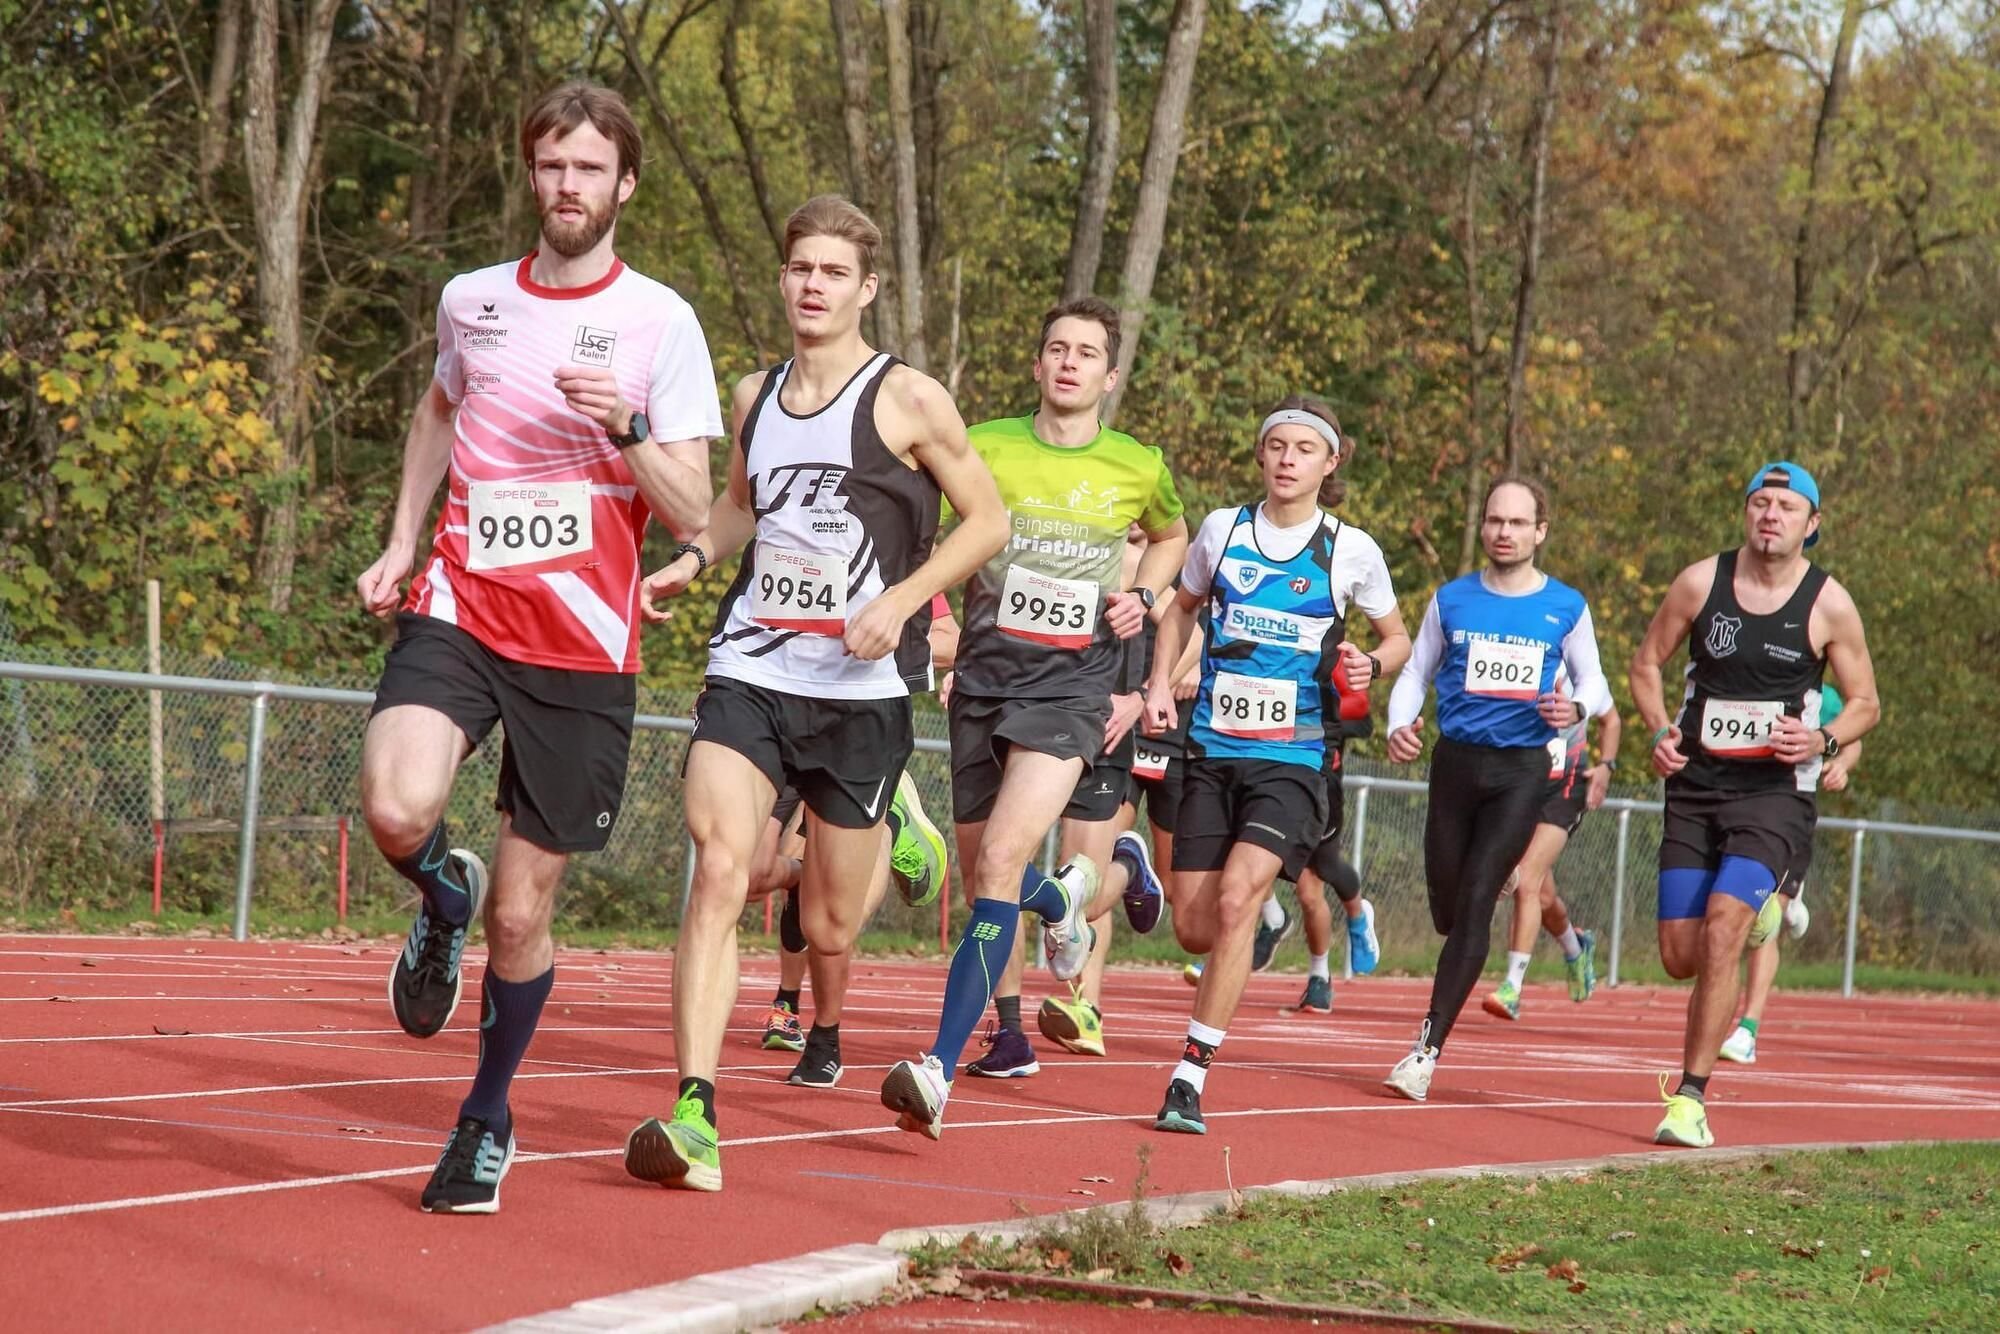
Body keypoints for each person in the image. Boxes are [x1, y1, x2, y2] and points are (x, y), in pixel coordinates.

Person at [354, 83, 724, 1213]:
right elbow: (435, 411)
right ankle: (436, 895)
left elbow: (694, 506)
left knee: (526, 912)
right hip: (462, 601)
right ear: (532, 175)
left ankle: (485, 1116)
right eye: (549, 166)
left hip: (580, 644)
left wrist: (625, 425)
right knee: (395, 808)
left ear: (625, 185)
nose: (567, 187)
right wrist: (401, 536)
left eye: (587, 169)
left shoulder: (663, 321)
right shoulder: (471, 300)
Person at [625, 195, 1007, 1190]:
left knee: (831, 926)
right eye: (799, 268)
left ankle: (898, 822)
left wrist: (908, 600)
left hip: (862, 690)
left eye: (832, 272)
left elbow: (986, 521)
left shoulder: (907, 399)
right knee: (718, 864)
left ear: (865, 289)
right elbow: (742, 505)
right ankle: (694, 1112)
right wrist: (693, 557)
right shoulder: (752, 396)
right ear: (782, 276)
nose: (811, 285)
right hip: (752, 665)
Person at [880, 297, 1188, 1138]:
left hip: (1072, 691)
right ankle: (1063, 899)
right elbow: (922, 532)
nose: (1069, 364)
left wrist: (1144, 596)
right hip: (982, 680)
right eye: (1057, 348)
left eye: (1086, 354)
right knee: (994, 877)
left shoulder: (1135, 464)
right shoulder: (985, 444)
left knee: (1000, 863)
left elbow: (1172, 536)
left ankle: (937, 1068)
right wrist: (938, 614)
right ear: (1039, 362)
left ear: (1109, 375)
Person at [1142, 396, 1409, 1134]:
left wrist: (1371, 662)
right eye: (1277, 447)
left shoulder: (1350, 550)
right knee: (1196, 926)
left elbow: (1397, 637)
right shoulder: (1222, 530)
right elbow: (1182, 607)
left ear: (1331, 462)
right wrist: (1161, 683)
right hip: (1211, 748)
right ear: (1262, 456)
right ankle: (1161, 878)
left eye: (1304, 449)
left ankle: (1188, 1077)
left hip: (1291, 758)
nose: (1288, 460)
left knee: (1236, 902)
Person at [1631, 461, 1878, 1148]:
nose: (1772, 515)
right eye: (1761, 503)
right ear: (1746, 512)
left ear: (1812, 523)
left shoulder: (1829, 604)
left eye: (1787, 506)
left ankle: (1689, 1099)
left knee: (1723, 925)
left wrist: (1822, 738)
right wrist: (1657, 729)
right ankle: (1762, 916)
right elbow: (1647, 662)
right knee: (1681, 955)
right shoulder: (1699, 582)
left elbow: (1867, 703)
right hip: (1695, 787)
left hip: (1774, 795)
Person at [1381, 475, 1611, 1102]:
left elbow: (1597, 685)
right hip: (1455, 765)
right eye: (1494, 521)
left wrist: (1576, 709)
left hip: (1521, 772)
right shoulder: (1452, 599)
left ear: (1540, 532)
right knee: (1452, 910)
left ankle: (1426, 1050)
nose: (1503, 533)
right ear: (1483, 527)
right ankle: (1456, 966)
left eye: (1517, 523)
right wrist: (1399, 724)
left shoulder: (1565, 605)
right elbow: (1416, 673)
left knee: (1483, 896)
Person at [968, 527, 1177, 1075]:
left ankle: (1089, 991)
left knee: (1079, 877)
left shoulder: (1132, 563)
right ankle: (1010, 1030)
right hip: (1025, 716)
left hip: (1099, 729)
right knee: (999, 873)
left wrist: (1143, 696)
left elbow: (1189, 635)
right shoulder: (1028, 546)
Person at [758, 596, 958, 1068]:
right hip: (775, 710)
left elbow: (951, 641)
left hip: (855, 723)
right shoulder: (780, 528)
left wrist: (878, 638)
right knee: (751, 874)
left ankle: (797, 1011)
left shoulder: (898, 549)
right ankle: (875, 836)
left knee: (830, 914)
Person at [1719, 681, 1860, 1064]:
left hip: (1789, 812)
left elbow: (1853, 737)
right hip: (1733, 806)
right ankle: (1792, 903)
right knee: (1730, 918)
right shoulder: (1740, 676)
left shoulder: (1823, 696)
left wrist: (1841, 765)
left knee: (1765, 919)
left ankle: (1747, 1030)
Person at [1480, 678, 1621, 1020]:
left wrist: (1606, 765)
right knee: (1542, 895)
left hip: (1565, 789)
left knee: (1525, 881)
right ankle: (1576, 946)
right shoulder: (1520, 655)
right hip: (1520, 785)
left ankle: (1512, 986)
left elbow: (1612, 720)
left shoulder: (1581, 671)